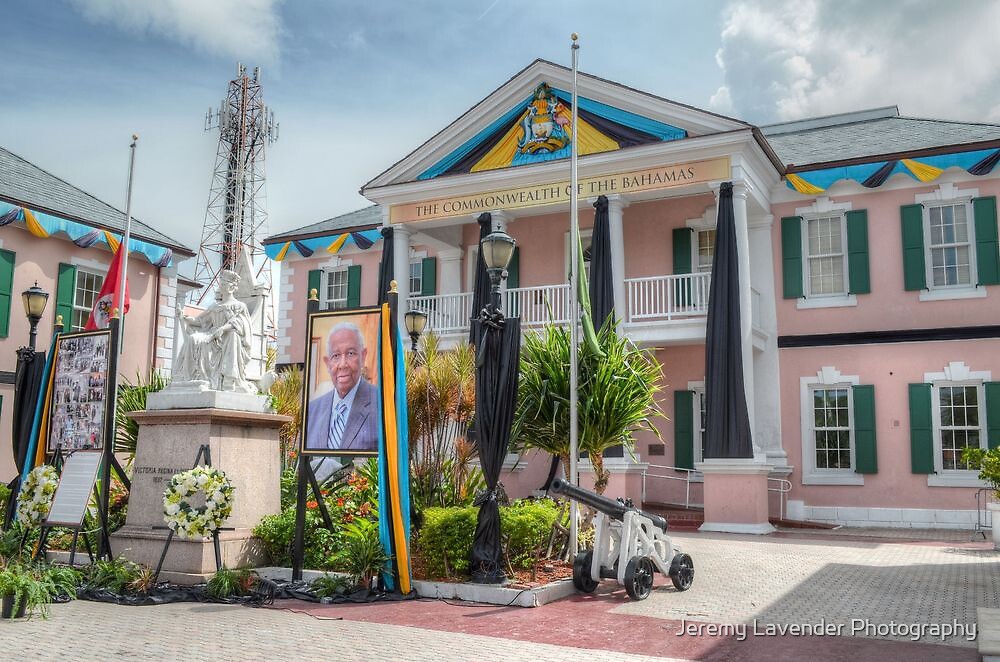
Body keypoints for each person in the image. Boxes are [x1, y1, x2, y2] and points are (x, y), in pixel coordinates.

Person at [175, 270, 256, 393]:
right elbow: (201, 322)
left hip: (227, 337)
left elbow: (242, 324)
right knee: (193, 339)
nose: (221, 286)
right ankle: (190, 377)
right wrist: (184, 317)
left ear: (231, 287)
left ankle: (229, 379)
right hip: (211, 335)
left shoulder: (239, 306)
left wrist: (223, 329)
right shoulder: (215, 306)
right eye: (221, 284)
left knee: (233, 336)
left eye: (223, 284)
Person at [305, 321, 379, 453]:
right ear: (328, 363)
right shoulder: (312, 411)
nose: (342, 364)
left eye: (350, 353)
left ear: (363, 356)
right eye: (336, 356)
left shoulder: (381, 403)